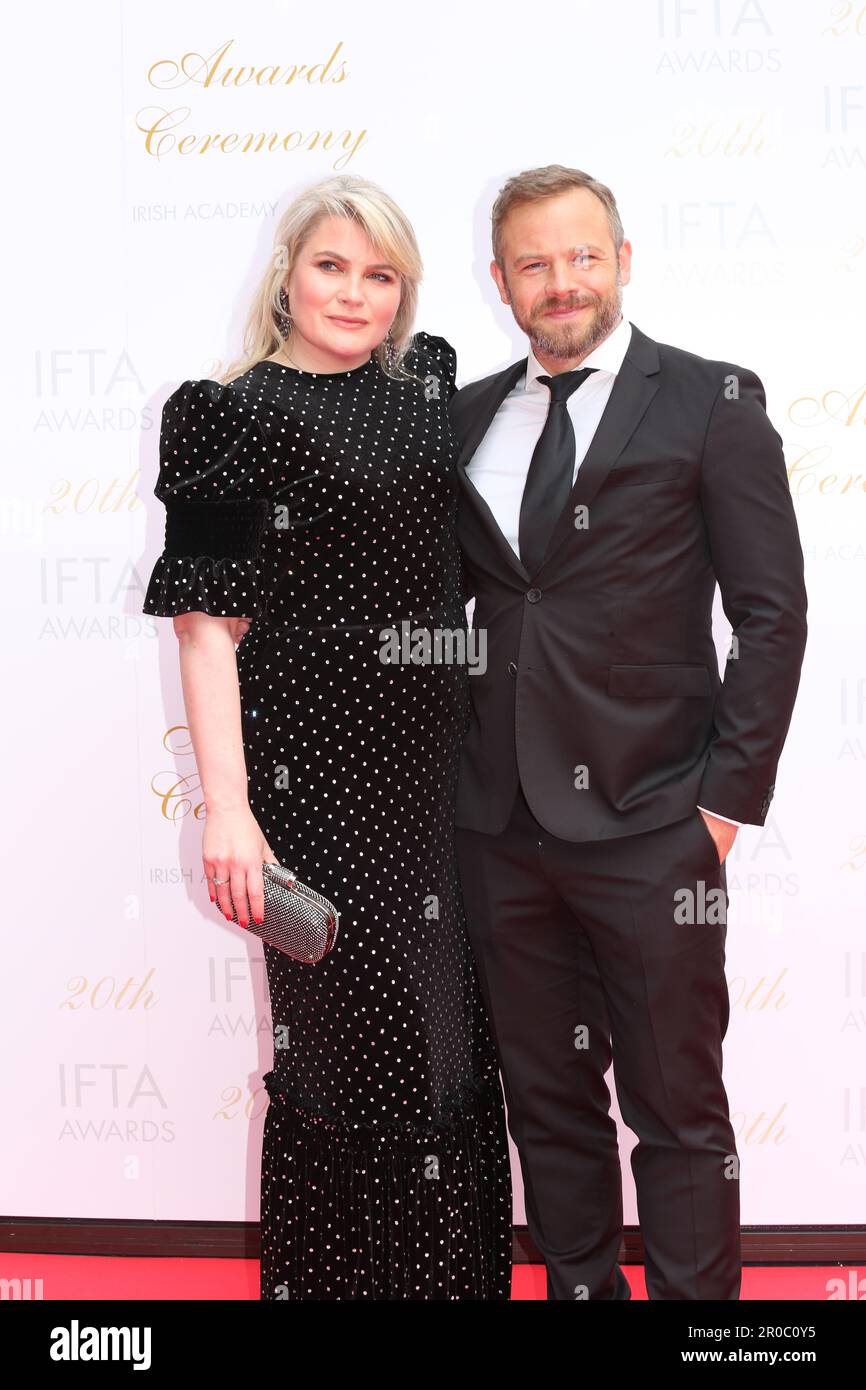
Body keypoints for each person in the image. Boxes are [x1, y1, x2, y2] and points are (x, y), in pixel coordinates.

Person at [141, 174, 512, 1300]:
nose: (354, 293)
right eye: (332, 266)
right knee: (359, 1050)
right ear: (288, 273)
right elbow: (207, 630)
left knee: (453, 1047)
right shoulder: (224, 415)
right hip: (316, 784)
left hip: (444, 780)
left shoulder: (426, 383)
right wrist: (232, 810)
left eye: (380, 273)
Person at [450, 164, 807, 1300]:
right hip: (499, 828)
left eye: (582, 255)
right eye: (535, 263)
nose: (562, 282)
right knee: (545, 1109)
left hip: (654, 822)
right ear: (500, 280)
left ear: (622, 260)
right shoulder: (463, 418)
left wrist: (719, 807)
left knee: (675, 1110)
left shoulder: (711, 402)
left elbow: (770, 614)